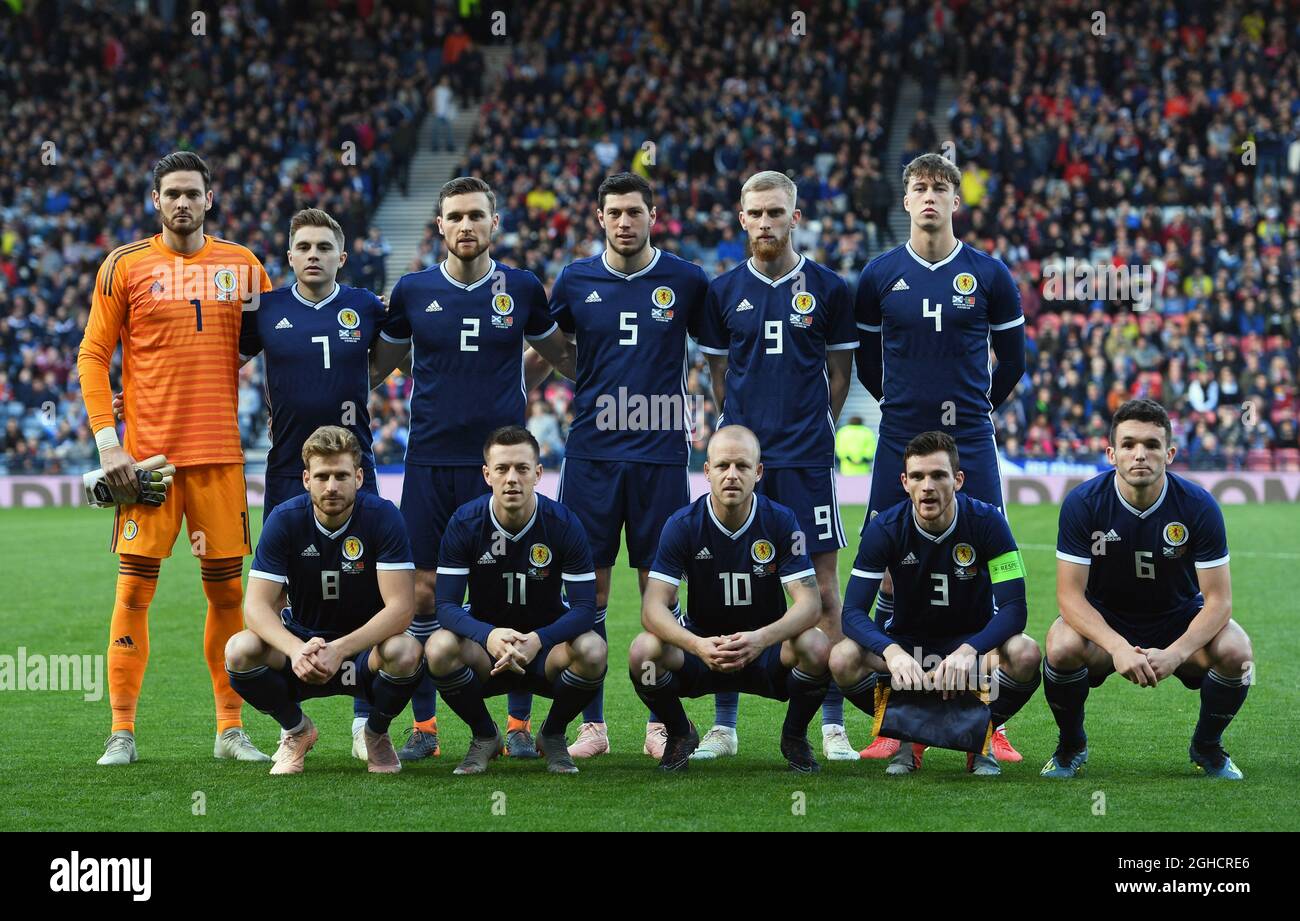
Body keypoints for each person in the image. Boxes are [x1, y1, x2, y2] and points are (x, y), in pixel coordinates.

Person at [78, 151, 272, 766]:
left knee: (226, 599)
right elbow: (91, 355)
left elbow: (276, 340)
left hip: (219, 458)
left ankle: (229, 729)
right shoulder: (123, 266)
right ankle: (123, 732)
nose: (182, 203)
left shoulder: (242, 266)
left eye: (192, 193)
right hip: (149, 466)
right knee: (133, 593)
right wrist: (111, 444)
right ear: (155, 201)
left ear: (209, 199)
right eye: (172, 194)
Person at [370, 177, 570, 760]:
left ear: (493, 224)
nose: (465, 226)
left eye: (475, 216)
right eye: (454, 216)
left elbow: (560, 357)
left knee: (513, 592)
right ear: (439, 225)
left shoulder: (524, 288)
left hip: (501, 464)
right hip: (429, 460)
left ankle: (516, 725)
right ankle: (426, 729)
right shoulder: (411, 291)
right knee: (426, 592)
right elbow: (377, 367)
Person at [854, 152, 1027, 763]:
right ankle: (898, 722)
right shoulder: (878, 276)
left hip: (972, 439)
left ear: (957, 201)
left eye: (940, 188)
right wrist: (902, 408)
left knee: (981, 566)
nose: (929, 197)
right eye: (919, 188)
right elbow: (866, 365)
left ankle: (987, 720)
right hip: (899, 436)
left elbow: (1013, 361)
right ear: (905, 202)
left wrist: (975, 408)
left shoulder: (990, 274)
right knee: (892, 569)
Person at [532, 171, 709, 759]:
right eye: (614, 212)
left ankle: (661, 721)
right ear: (600, 218)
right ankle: (594, 725)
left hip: (661, 454)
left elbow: (718, 355)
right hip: (592, 456)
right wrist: (515, 392)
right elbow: (549, 347)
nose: (625, 221)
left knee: (657, 592)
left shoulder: (685, 279)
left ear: (653, 215)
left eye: (635, 211)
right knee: (591, 591)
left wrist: (727, 421)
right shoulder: (576, 279)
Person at [697, 170, 858, 761]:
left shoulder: (831, 289)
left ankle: (834, 722)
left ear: (796, 217)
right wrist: (737, 434)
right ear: (741, 219)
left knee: (823, 590)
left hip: (807, 459)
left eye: (775, 213)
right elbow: (719, 373)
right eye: (755, 213)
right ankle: (724, 722)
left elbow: (841, 373)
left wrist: (820, 426)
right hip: (743, 462)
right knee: (725, 590)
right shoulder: (720, 292)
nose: (765, 223)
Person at [238, 207, 396, 761]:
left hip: (354, 467)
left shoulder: (366, 307)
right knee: (277, 590)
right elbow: (218, 361)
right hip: (286, 470)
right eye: (303, 246)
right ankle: (293, 725)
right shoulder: (264, 308)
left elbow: (389, 356)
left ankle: (362, 718)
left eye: (323, 247)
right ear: (288, 256)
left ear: (341, 257)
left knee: (368, 584)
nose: (313, 255)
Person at [1044, 399, 1252, 780]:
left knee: (1238, 652)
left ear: (1169, 453)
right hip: (1106, 620)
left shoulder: (1198, 506)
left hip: (1178, 619)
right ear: (1111, 453)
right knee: (1060, 645)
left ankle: (1207, 747)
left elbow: (1219, 601)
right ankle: (1070, 746)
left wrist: (1176, 654)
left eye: (1152, 445)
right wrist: (1118, 646)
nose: (1140, 454)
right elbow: (1069, 597)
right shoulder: (1083, 504)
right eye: (1128, 444)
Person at [832, 431, 1041, 776]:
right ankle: (907, 733)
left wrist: (968, 650)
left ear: (957, 480)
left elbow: (1014, 609)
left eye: (938, 475)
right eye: (917, 476)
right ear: (904, 482)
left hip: (973, 653)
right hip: (909, 651)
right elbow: (852, 613)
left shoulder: (989, 522)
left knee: (1026, 653)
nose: (927, 486)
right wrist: (891, 652)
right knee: (842, 657)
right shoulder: (884, 528)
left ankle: (981, 733)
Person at [629, 425, 831, 773]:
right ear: (707, 472)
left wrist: (761, 639)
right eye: (722, 466)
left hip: (765, 654)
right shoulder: (682, 524)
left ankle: (794, 736)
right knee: (643, 654)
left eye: (742, 466)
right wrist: (696, 645)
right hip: (704, 652)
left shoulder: (782, 522)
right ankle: (680, 733)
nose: (732, 475)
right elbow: (652, 607)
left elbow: (810, 604)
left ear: (758, 472)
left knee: (817, 645)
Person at [226, 426, 423, 775]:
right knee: (239, 650)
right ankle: (297, 730)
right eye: (322, 476)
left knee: (406, 652)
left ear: (359, 477)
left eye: (341, 475)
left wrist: (341, 649)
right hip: (303, 646)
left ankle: (376, 733)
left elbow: (401, 609)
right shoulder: (284, 519)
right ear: (306, 479)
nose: (331, 486)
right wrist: (294, 650)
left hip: (364, 652)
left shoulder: (383, 516)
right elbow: (255, 608)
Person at [424, 425, 604, 775]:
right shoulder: (465, 523)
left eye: (522, 469)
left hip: (546, 655)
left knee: (593, 649)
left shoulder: (563, 524)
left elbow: (586, 608)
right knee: (438, 648)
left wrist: (540, 639)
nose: (512, 479)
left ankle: (552, 734)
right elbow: (445, 606)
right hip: (487, 654)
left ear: (538, 474)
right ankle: (485, 735)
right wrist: (488, 635)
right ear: (486, 474)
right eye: (502, 469)